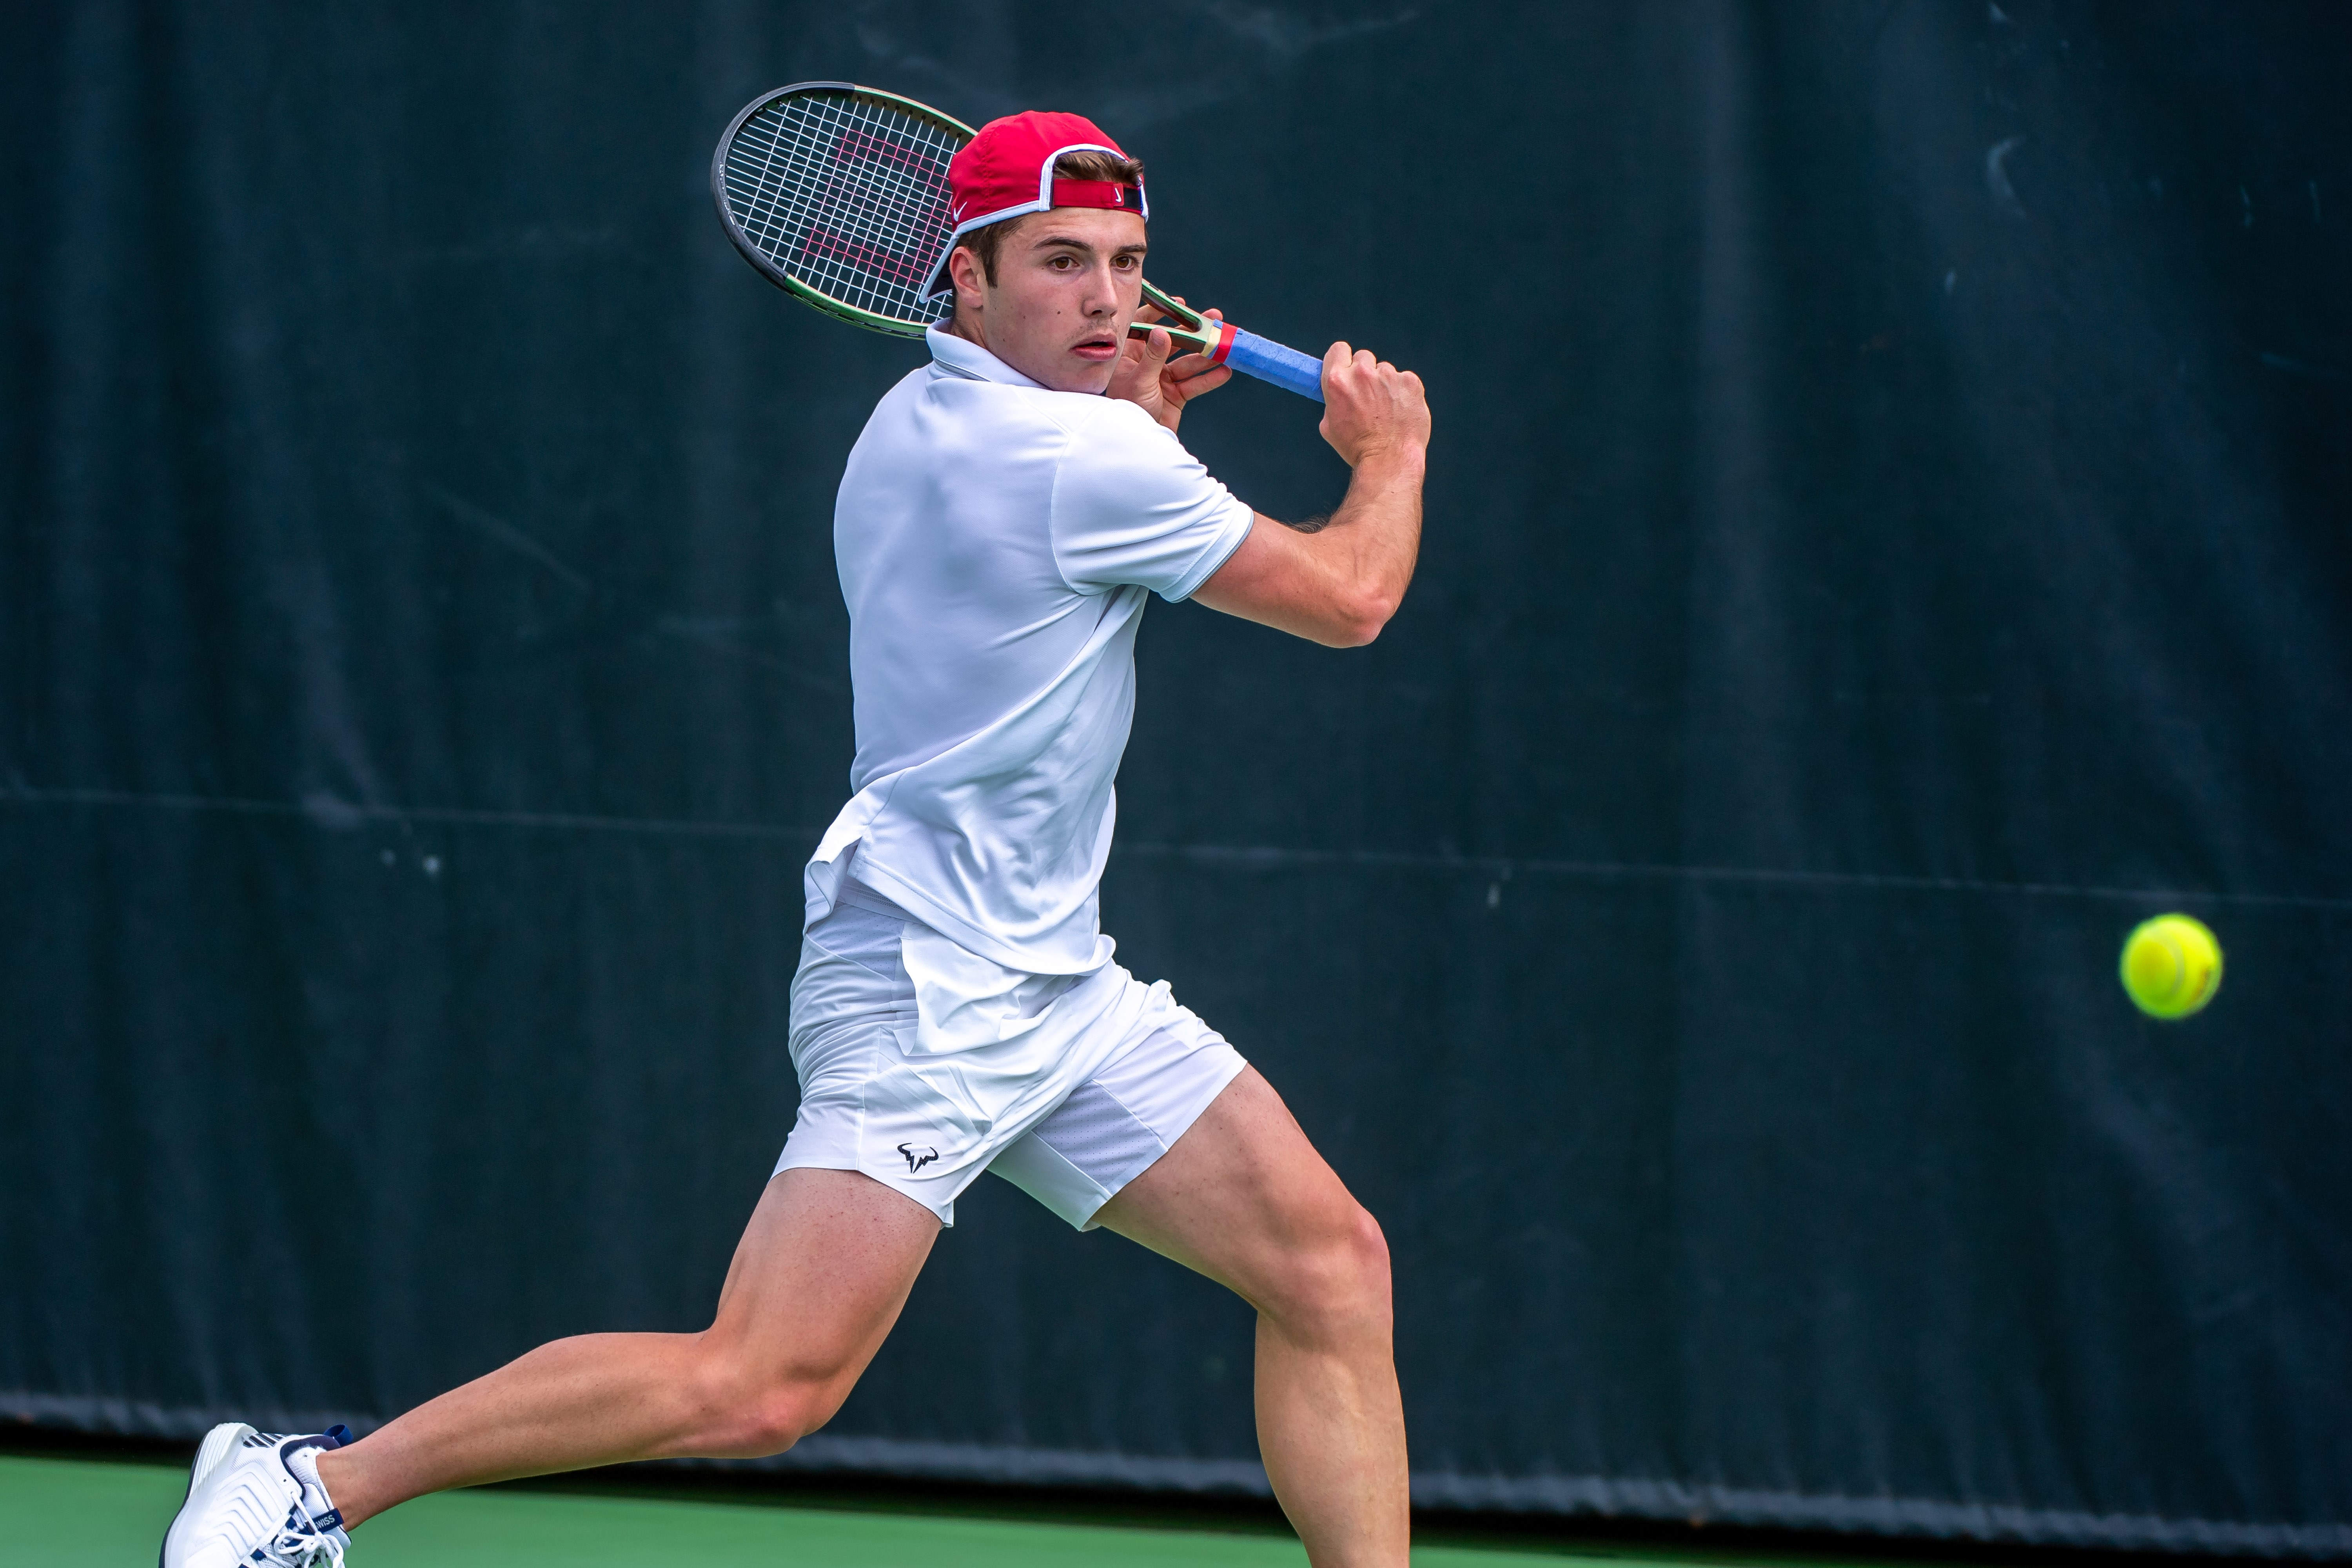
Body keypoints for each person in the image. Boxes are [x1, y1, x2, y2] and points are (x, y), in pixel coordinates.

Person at [162, 108, 1430, 1568]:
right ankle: (308, 1482)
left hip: (1055, 983)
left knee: (1330, 1269)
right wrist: (1388, 449)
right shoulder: (1081, 466)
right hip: (929, 987)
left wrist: (1148, 416)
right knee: (764, 1383)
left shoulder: (925, 419)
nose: (1104, 301)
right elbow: (1351, 597)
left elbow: (1079, 530)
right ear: (966, 278)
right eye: (1060, 263)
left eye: (1127, 264)